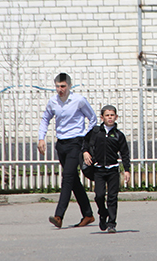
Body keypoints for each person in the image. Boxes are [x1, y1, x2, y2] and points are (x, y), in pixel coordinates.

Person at [38, 73, 97, 229]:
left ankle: (59, 216)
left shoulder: (78, 100)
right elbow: (45, 119)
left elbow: (93, 118)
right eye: (57, 86)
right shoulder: (53, 102)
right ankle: (88, 214)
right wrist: (41, 138)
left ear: (69, 86)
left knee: (67, 177)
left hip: (76, 142)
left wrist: (86, 139)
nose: (60, 89)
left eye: (63, 86)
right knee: (74, 181)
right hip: (62, 144)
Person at [82, 105, 131, 233]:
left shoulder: (119, 135)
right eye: (107, 115)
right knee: (99, 195)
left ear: (116, 117)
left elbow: (125, 153)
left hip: (113, 169)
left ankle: (111, 223)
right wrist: (85, 152)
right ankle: (103, 213)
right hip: (99, 169)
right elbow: (84, 143)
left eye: (112, 115)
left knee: (112, 197)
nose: (110, 117)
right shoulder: (96, 132)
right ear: (102, 117)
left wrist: (127, 170)